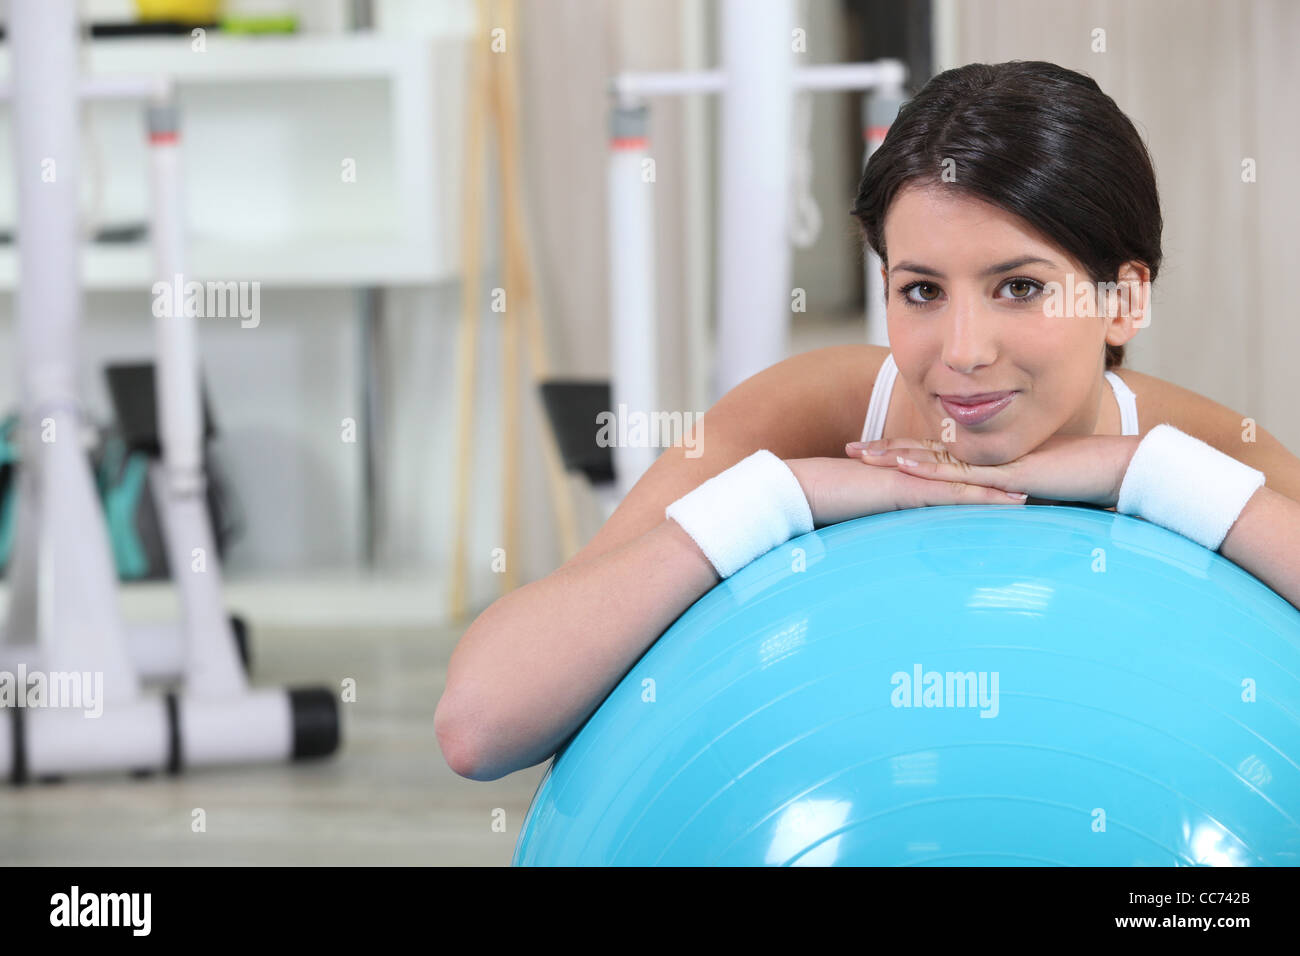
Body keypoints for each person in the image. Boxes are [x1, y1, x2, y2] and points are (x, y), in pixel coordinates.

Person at [436, 60, 1300, 782]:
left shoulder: (1207, 454)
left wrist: (1148, 477)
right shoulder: (804, 416)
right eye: (921, 290)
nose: (962, 350)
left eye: (1020, 287)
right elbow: (481, 724)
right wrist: (785, 493)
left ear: (1124, 299)